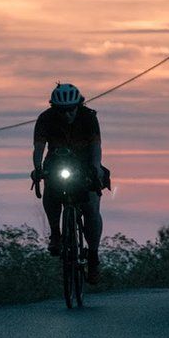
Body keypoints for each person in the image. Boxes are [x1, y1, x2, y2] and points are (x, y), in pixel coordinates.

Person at [32, 83, 105, 284]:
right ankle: (56, 233)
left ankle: (93, 256)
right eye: (62, 111)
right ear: (54, 108)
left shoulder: (89, 117)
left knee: (91, 207)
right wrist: (38, 168)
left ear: (78, 105)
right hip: (56, 163)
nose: (67, 115)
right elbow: (38, 148)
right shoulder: (45, 119)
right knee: (50, 193)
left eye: (71, 110)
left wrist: (96, 168)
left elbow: (96, 147)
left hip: (84, 163)